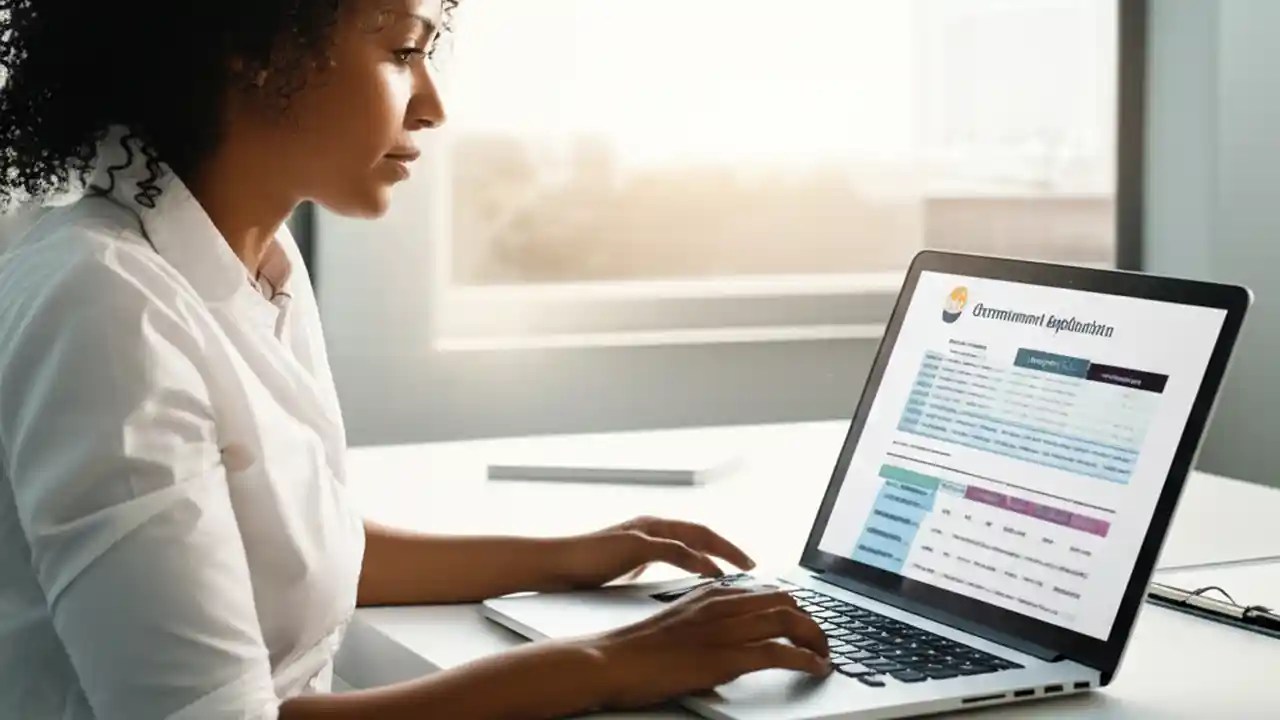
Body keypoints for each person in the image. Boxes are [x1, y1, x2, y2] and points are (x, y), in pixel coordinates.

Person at [0, 2, 831, 718]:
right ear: (251, 44)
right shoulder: (108, 312)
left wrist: (568, 555)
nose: (432, 106)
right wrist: (607, 665)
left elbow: (292, 549)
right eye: (403, 50)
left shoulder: (253, 264)